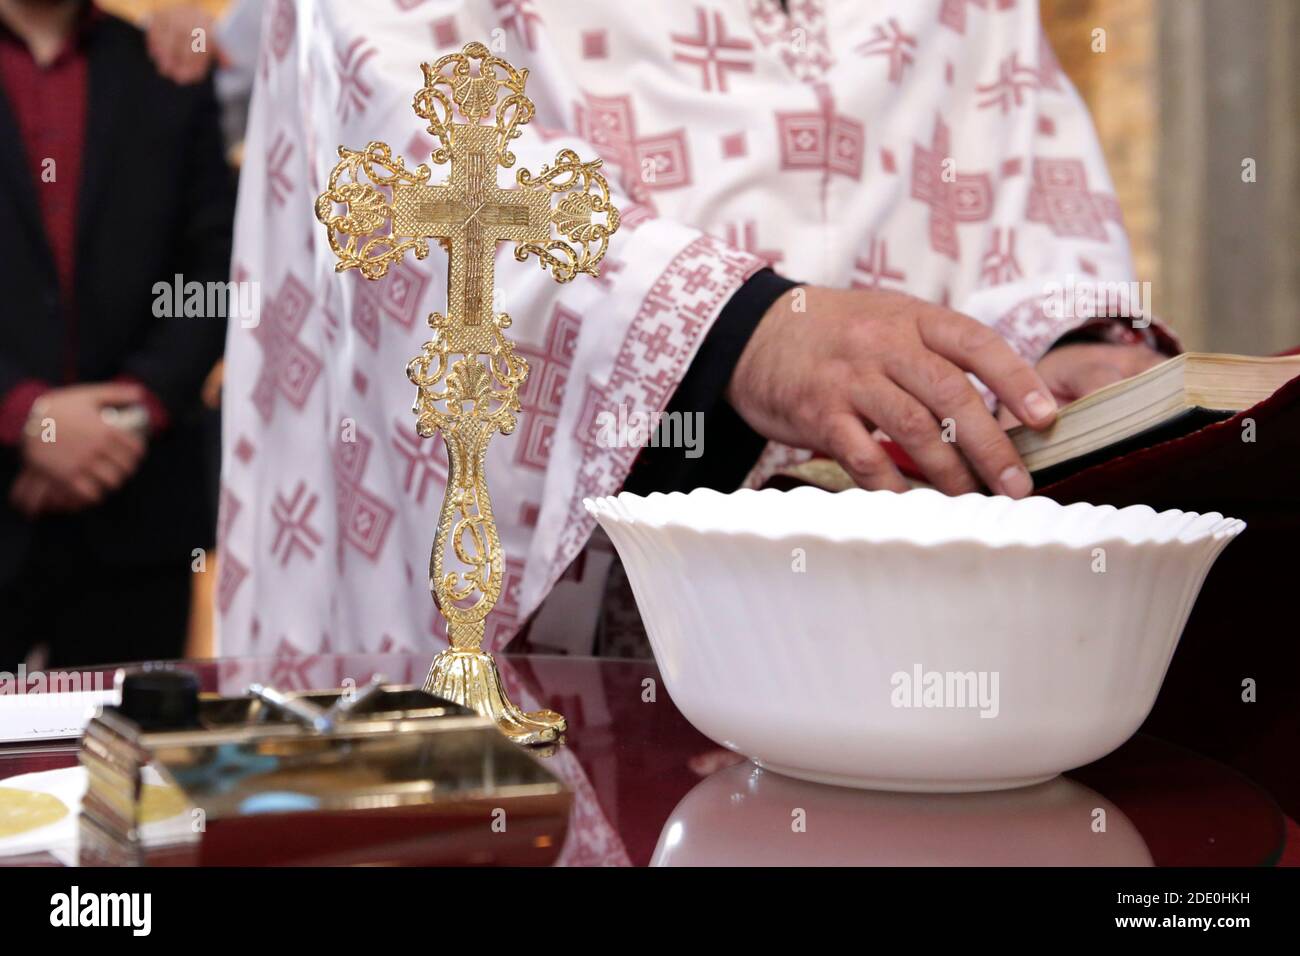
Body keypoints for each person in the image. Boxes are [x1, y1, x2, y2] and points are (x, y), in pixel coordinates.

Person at [210, 0, 1172, 658]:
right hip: (589, 625)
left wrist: (1050, 349)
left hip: (912, 619)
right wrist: (736, 333)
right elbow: (403, 125)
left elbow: (1008, 127)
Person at [0, 0, 234, 669]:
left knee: (134, 761)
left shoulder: (167, 63)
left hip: (138, 502)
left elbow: (215, 265)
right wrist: (25, 415)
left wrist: (130, 411)